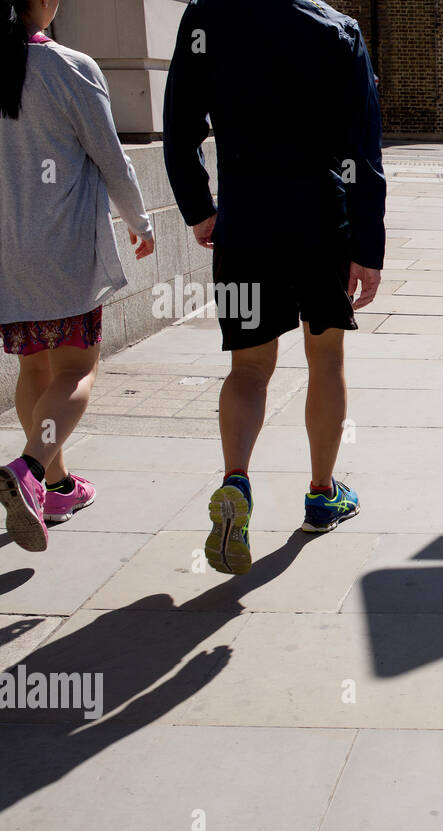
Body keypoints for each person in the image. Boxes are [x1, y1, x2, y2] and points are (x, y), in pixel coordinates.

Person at [163, 0, 385, 575]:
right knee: (326, 358)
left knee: (248, 368)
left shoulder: (207, 18)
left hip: (244, 223)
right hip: (322, 220)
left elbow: (180, 124)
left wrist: (198, 206)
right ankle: (320, 493)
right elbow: (363, 150)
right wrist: (368, 246)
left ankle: (236, 479)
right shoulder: (338, 31)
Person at [0, 0, 155, 551]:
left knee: (34, 368)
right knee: (77, 369)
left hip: (9, 254)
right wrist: (140, 221)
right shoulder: (70, 67)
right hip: (64, 249)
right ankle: (30, 469)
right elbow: (112, 158)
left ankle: (58, 485)